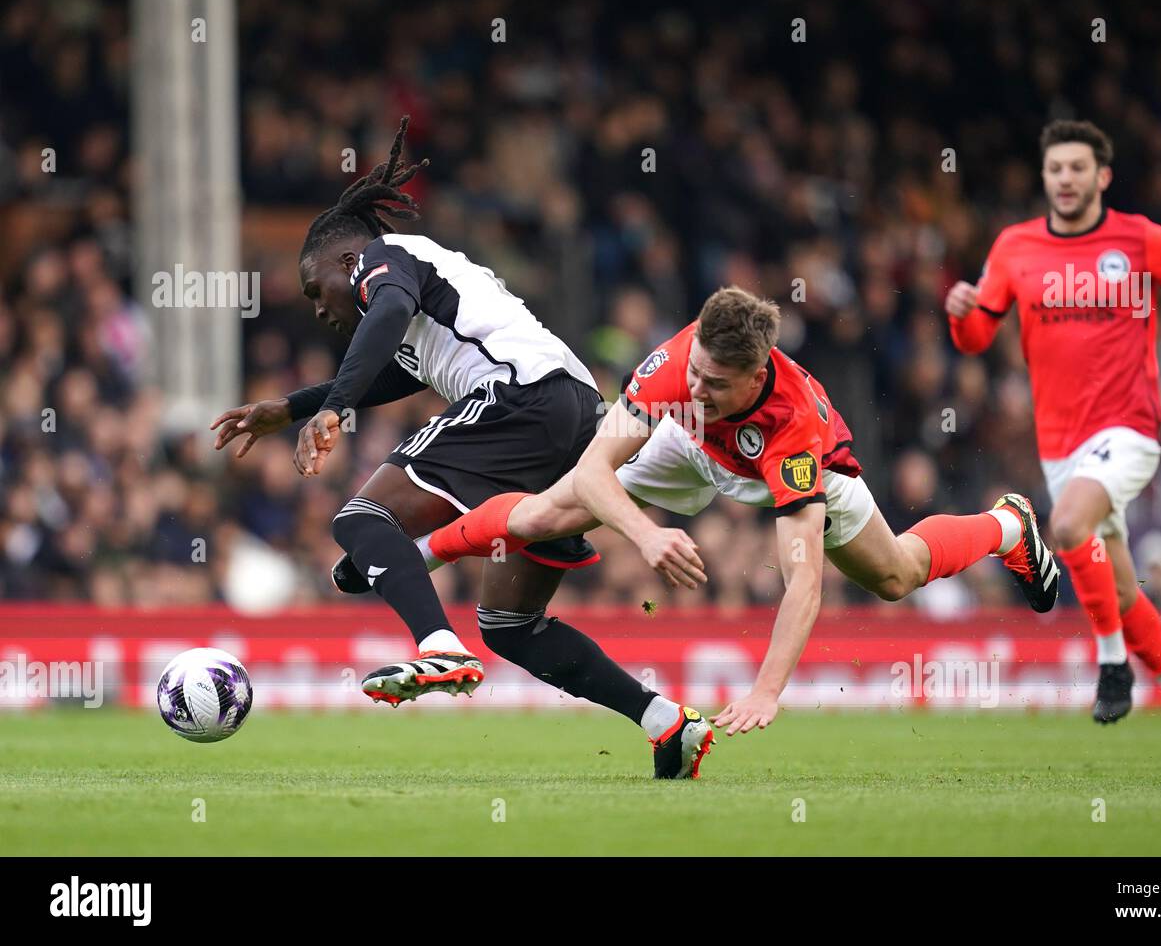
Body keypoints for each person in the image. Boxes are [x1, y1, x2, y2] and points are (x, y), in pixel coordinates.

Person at [211, 119, 712, 779]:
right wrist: (296, 405)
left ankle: (438, 646)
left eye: (315, 291)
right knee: (512, 625)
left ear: (344, 261)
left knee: (360, 519)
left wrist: (332, 411)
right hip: (574, 419)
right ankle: (666, 724)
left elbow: (384, 318)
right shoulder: (424, 291)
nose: (319, 310)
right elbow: (400, 367)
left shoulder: (384, 263)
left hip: (521, 399)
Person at [380, 286, 1059, 738]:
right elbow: (592, 472)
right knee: (549, 512)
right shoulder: (676, 367)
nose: (697, 385)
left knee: (895, 577)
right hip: (689, 447)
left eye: (716, 381)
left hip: (783, 474)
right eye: (695, 371)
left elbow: (805, 580)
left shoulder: (793, 428)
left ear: (758, 370)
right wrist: (646, 535)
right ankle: (426, 553)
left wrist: (766, 691)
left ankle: (1007, 526)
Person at [944, 120, 1161, 759]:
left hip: (1129, 429)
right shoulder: (1015, 247)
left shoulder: (1139, 239)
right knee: (1120, 590)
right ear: (1044, 177)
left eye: (1078, 168)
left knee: (1065, 524)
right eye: (1055, 168)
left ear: (1102, 177)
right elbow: (977, 340)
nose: (1065, 179)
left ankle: (1111, 663)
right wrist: (962, 315)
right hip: (1060, 442)